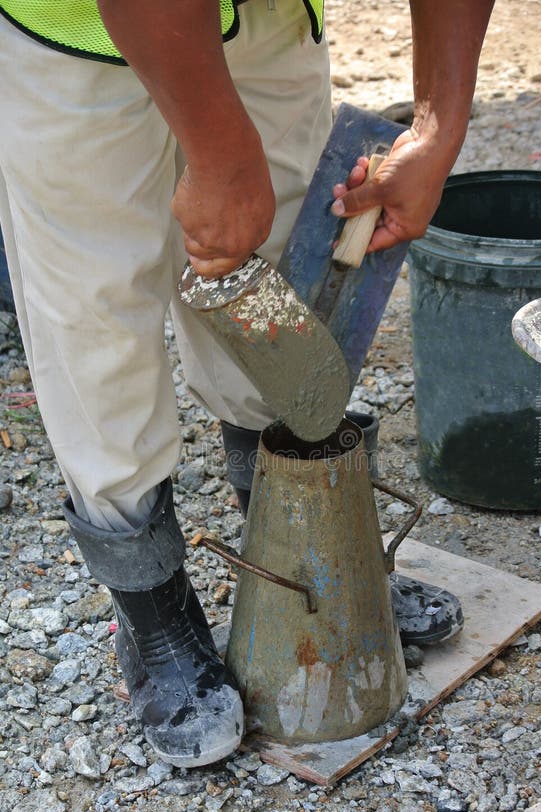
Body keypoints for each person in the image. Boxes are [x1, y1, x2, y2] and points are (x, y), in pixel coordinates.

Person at [0, 0, 495, 768]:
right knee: (95, 312)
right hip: (72, 25)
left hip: (260, 19)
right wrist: (220, 155)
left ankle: (309, 548)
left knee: (276, 274)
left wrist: (438, 127)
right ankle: (152, 609)